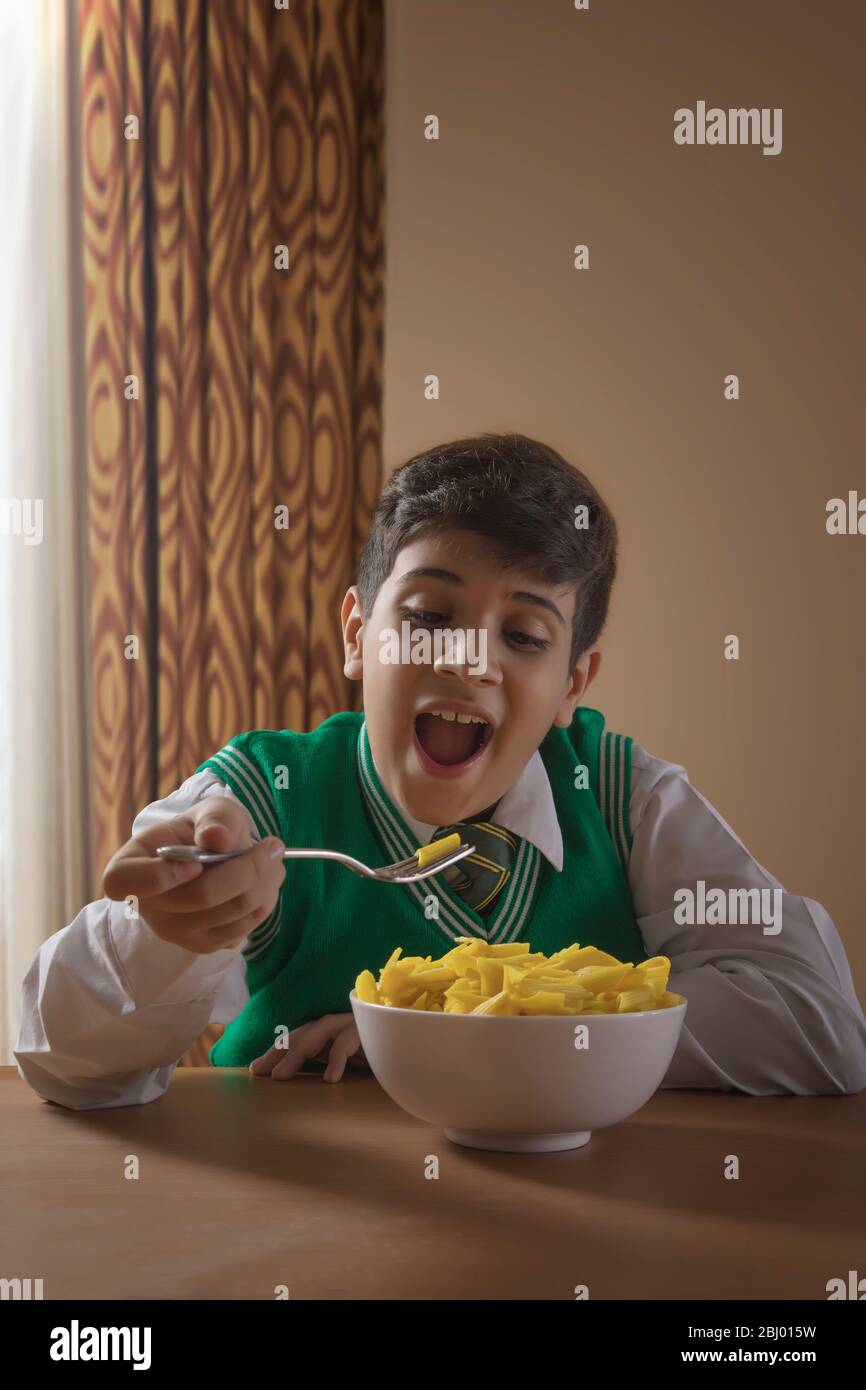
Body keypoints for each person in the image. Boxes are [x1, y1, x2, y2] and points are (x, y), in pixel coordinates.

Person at [15, 434, 866, 1107]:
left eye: (525, 636)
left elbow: (820, 1025)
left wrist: (466, 1036)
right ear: (357, 634)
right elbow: (62, 1063)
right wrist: (166, 931)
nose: (468, 661)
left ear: (573, 684)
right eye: (429, 615)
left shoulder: (623, 798)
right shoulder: (261, 799)